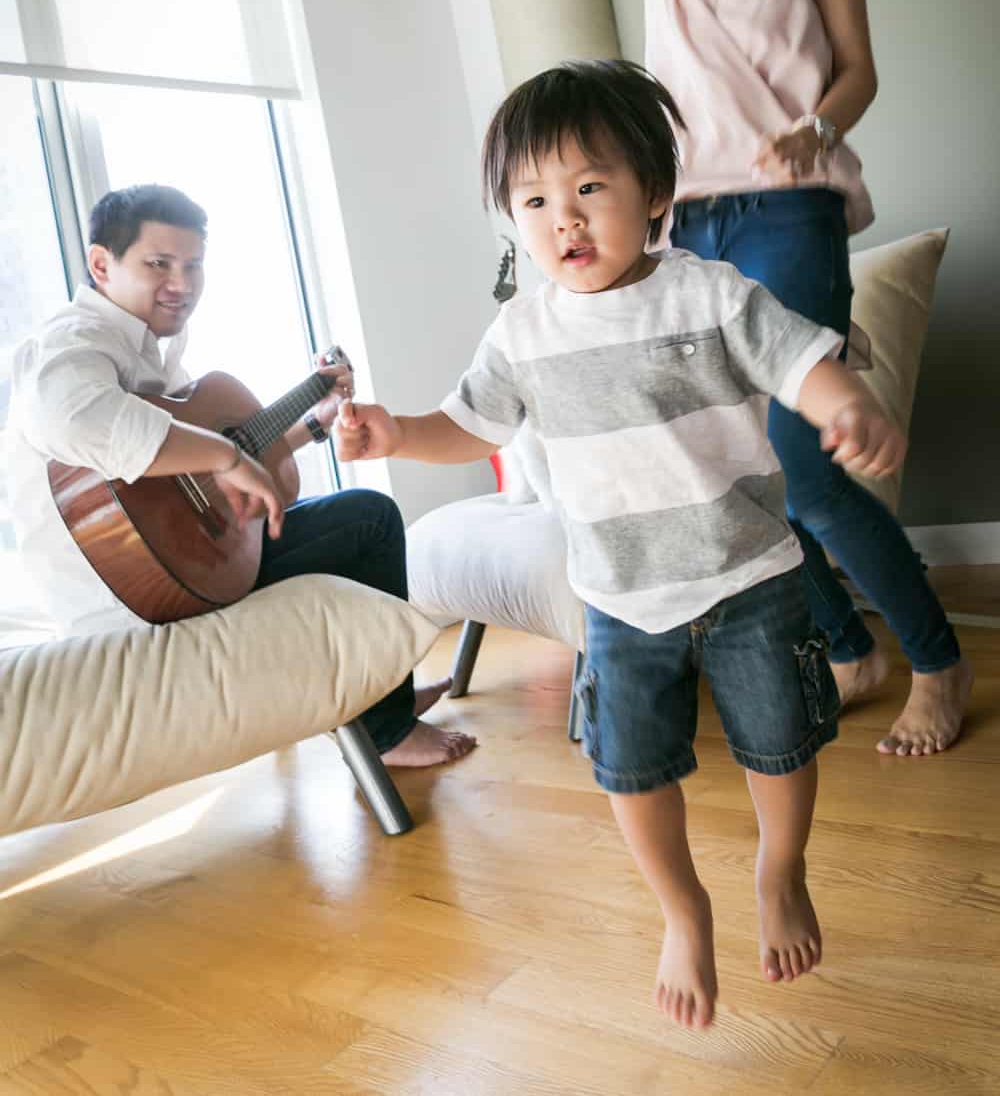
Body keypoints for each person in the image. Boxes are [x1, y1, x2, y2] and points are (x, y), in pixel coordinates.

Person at [332, 60, 907, 1029]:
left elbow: (803, 362)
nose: (565, 218)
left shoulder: (712, 296)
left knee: (780, 746)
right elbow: (470, 428)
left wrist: (846, 401)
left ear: (654, 195)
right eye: (535, 198)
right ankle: (681, 911)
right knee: (630, 769)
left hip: (748, 577)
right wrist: (396, 434)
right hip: (619, 597)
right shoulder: (519, 333)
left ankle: (779, 871)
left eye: (590, 188)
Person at [643, 0, 971, 757]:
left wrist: (814, 129)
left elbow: (858, 67)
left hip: (787, 207)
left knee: (806, 461)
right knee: (735, 468)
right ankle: (845, 645)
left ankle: (934, 660)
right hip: (691, 221)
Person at [6, 184, 475, 769]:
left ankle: (380, 699)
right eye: (158, 264)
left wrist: (316, 421)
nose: (181, 284)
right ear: (102, 264)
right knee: (368, 519)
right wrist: (225, 458)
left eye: (193, 265)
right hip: (131, 592)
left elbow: (213, 463)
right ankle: (383, 726)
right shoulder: (71, 344)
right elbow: (73, 417)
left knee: (353, 518)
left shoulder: (152, 349)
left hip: (175, 561)